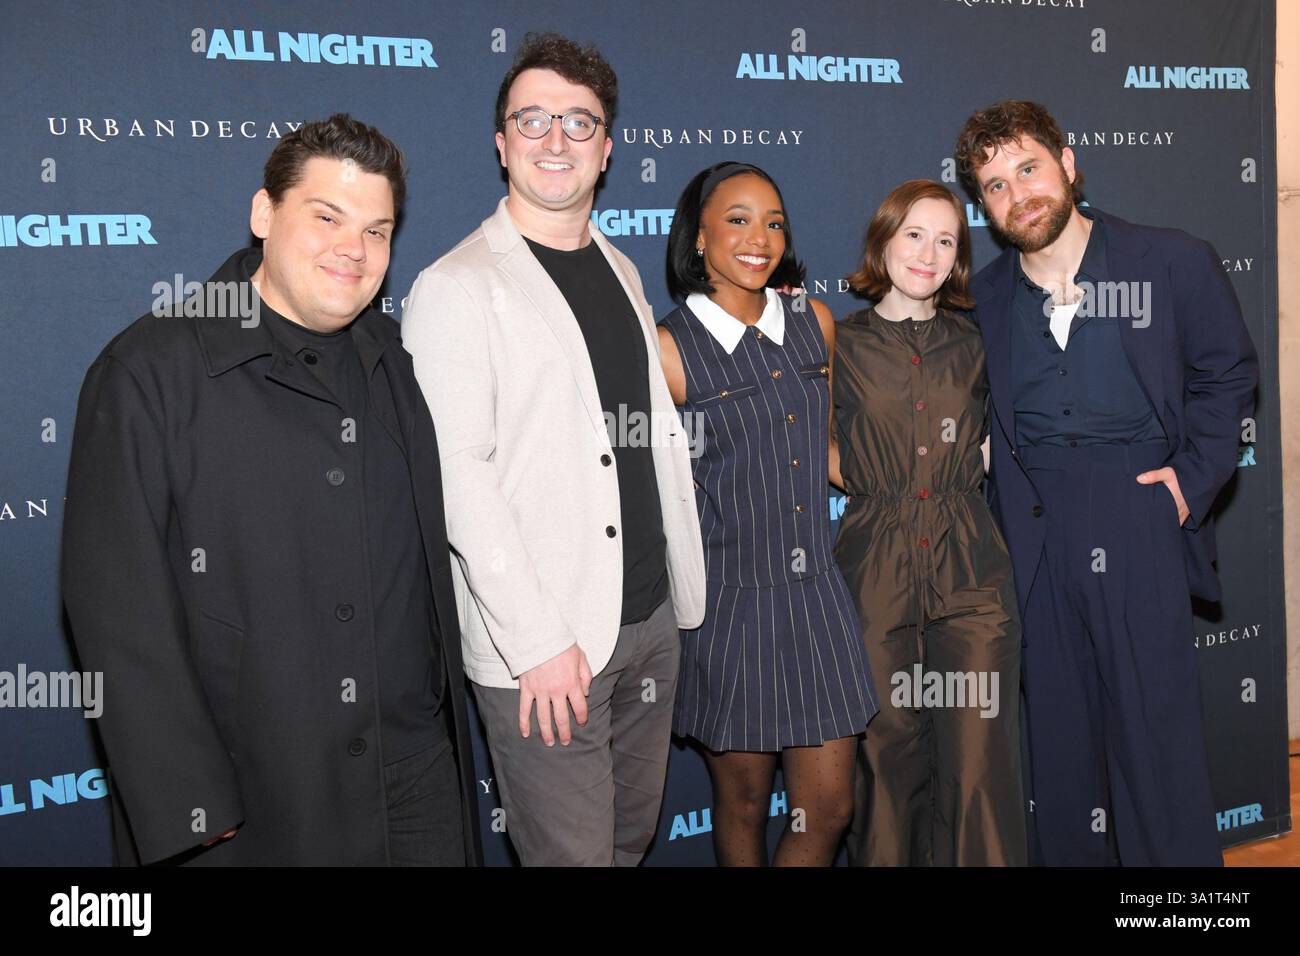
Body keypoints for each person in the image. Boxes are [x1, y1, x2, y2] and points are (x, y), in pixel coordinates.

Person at [61, 114, 481, 865]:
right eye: (328, 217)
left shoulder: (393, 357)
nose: (353, 249)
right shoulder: (149, 371)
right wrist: (192, 805)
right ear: (265, 214)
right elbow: (115, 614)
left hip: (416, 775)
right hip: (260, 796)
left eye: (377, 230)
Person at [401, 33, 705, 867]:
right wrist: (536, 642)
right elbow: (458, 477)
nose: (556, 139)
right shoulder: (455, 286)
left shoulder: (621, 267)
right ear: (501, 142)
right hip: (544, 645)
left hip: (646, 623)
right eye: (532, 119)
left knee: (627, 842)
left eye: (580, 122)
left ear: (607, 150)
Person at [954, 100, 1259, 866]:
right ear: (982, 205)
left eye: (1028, 168)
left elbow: (1228, 377)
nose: (1017, 193)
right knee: (1060, 753)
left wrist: (1188, 483)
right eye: (994, 185)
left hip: (1138, 514)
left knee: (1157, 746)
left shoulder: (1171, 260)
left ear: (1068, 161)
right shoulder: (983, 299)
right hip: (1030, 531)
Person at [657, 162, 877, 867]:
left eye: (774, 221)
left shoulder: (814, 321)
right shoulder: (668, 351)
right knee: (745, 807)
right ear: (697, 237)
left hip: (817, 598)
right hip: (730, 608)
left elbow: (832, 450)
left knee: (830, 808)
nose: (760, 237)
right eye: (738, 218)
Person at [831, 180, 1025, 866]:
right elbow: (814, 442)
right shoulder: (839, 343)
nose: (929, 252)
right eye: (914, 233)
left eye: (947, 240)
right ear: (883, 240)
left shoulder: (977, 343)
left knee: (978, 761)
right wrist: (878, 483)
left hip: (970, 570)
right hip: (873, 570)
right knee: (885, 758)